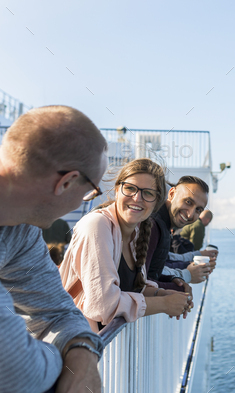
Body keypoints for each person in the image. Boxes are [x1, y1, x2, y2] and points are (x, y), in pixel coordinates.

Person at [0, 105, 106, 393]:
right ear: (68, 182)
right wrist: (68, 368)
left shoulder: (20, 229)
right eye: (89, 192)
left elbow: (59, 312)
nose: (82, 203)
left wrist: (83, 353)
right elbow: (16, 370)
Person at [59, 159, 193, 333]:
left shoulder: (136, 233)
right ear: (117, 190)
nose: (137, 198)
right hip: (66, 346)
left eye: (148, 193)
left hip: (92, 346)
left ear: (156, 202)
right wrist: (163, 304)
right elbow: (102, 305)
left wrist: (161, 293)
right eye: (130, 188)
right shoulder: (97, 225)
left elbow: (129, 287)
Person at [147, 176, 217, 290]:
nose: (190, 215)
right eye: (188, 202)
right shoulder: (153, 225)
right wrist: (187, 275)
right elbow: (143, 280)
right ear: (171, 194)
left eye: (198, 210)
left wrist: (197, 256)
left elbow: (160, 262)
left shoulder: (162, 223)